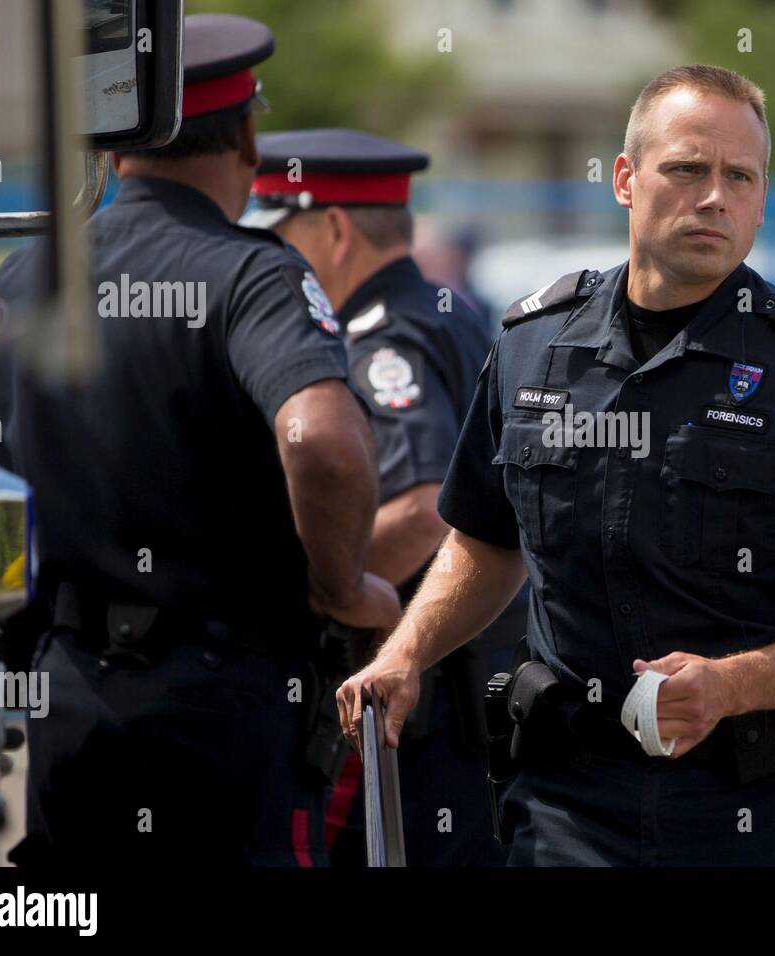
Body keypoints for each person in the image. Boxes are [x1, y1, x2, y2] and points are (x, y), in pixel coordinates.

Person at [338, 64, 775, 866]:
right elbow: (488, 538)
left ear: (762, 202)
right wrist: (406, 653)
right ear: (626, 179)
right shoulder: (534, 347)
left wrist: (732, 686)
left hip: (759, 812)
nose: (714, 197)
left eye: (740, 177)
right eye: (687, 168)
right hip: (567, 808)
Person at [0, 14, 398, 866]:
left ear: (113, 143)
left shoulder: (28, 274)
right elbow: (323, 439)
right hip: (222, 707)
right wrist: (343, 585)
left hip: (68, 703)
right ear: (248, 135)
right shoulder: (251, 273)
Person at [244, 128, 511, 866]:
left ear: (331, 230)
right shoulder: (445, 313)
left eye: (282, 236)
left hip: (429, 700)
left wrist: (327, 590)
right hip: (465, 688)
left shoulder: (380, 340)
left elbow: (425, 507)